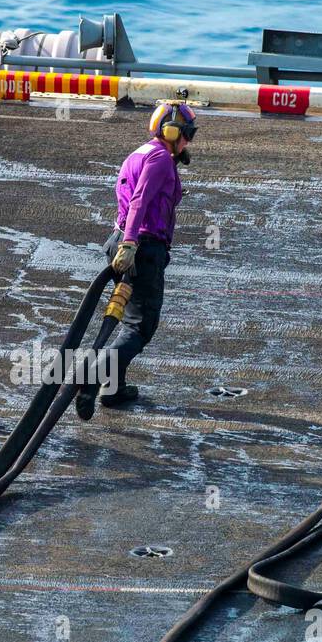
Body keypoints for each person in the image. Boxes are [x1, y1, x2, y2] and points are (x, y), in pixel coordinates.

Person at [75, 101, 195, 420]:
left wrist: (124, 242)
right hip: (140, 246)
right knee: (140, 327)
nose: (189, 142)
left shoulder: (139, 153)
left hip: (122, 241)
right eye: (188, 134)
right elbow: (140, 200)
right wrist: (131, 243)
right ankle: (94, 376)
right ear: (171, 132)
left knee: (128, 319)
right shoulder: (159, 160)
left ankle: (113, 390)